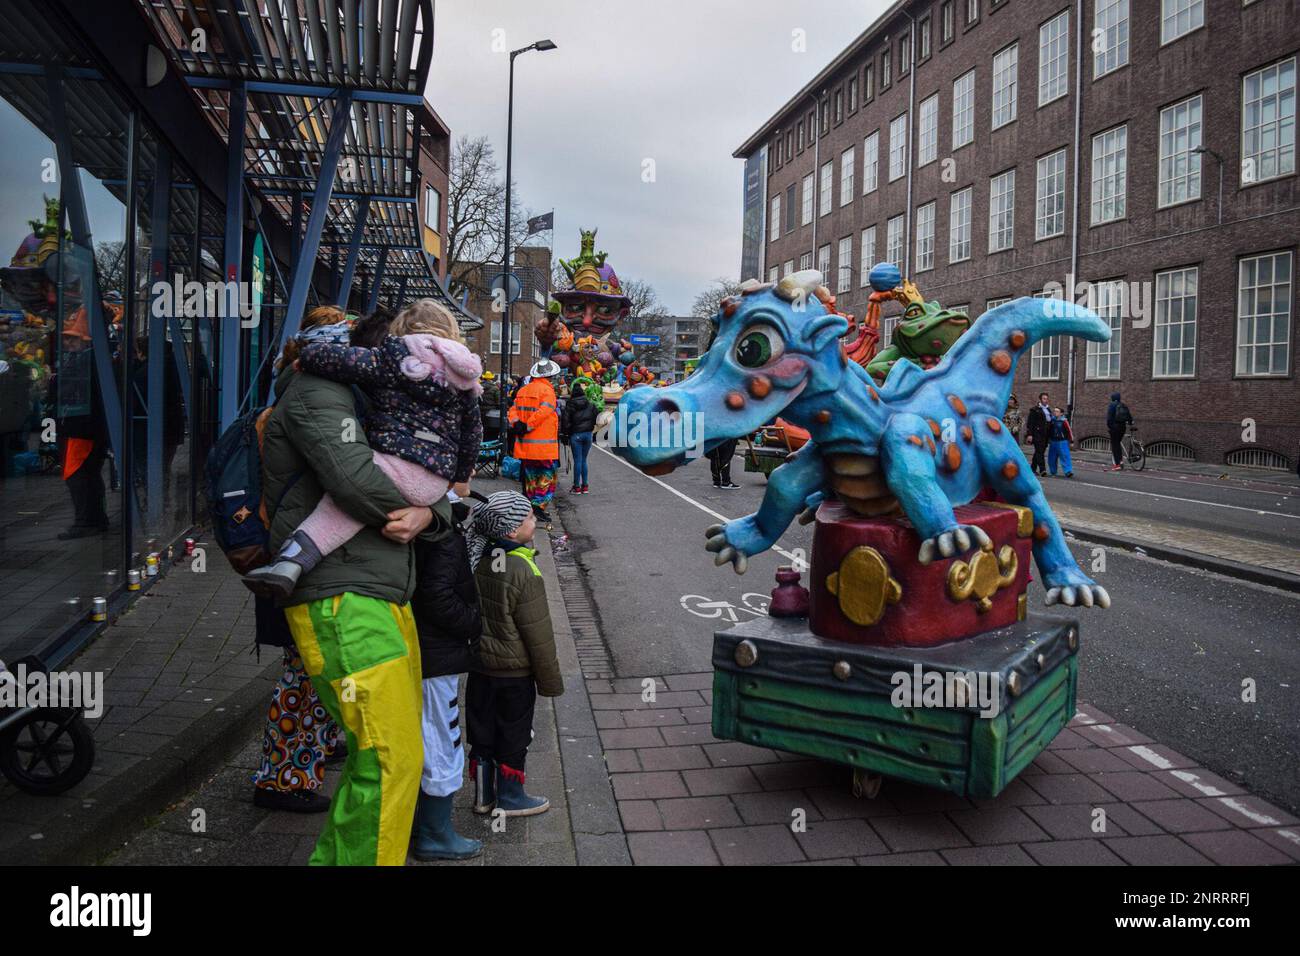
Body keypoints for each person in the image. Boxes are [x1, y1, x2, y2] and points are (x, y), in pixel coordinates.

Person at [260, 304, 454, 866]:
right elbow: (355, 479)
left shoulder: (372, 393)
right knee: (389, 756)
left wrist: (430, 514)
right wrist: (428, 509)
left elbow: (431, 481)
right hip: (341, 594)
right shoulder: (320, 386)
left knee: (389, 754)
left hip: (380, 591)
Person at [246, 299, 482, 599]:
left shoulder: (392, 360)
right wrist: (451, 485)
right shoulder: (463, 379)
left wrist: (309, 356)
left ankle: (292, 560)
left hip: (353, 581)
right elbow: (472, 435)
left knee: (334, 512)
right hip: (432, 482)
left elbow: (353, 482)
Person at [464, 491, 563, 818]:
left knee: (481, 731)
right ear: (510, 531)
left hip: (480, 667)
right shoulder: (523, 568)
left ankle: (482, 797)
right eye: (528, 518)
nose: (535, 520)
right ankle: (511, 797)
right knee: (513, 734)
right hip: (513, 674)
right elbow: (539, 633)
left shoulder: (477, 557)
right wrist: (550, 682)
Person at [410, 483, 483, 861]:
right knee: (442, 736)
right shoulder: (440, 532)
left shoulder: (432, 522)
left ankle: (421, 826)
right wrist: (472, 623)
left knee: (430, 732)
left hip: (427, 652)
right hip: (437, 655)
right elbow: (436, 596)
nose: (470, 472)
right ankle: (435, 834)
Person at [249, 595, 343, 812]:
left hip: (306, 595)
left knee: (315, 677)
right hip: (300, 598)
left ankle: (320, 748)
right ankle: (277, 782)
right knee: (302, 680)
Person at [508, 359, 561, 523]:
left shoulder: (523, 391)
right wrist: (528, 426)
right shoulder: (548, 391)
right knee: (547, 478)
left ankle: (530, 506)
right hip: (544, 448)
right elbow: (544, 412)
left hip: (525, 447)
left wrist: (517, 424)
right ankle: (538, 507)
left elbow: (512, 410)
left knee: (530, 477)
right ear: (550, 375)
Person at [560, 381, 597, 494]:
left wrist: (565, 434)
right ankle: (585, 486)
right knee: (584, 460)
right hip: (587, 434)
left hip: (576, 435)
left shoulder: (570, 404)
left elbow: (565, 422)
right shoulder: (590, 404)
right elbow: (596, 417)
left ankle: (576, 487)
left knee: (577, 461)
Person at [1025, 391, 1052, 477]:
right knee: (1040, 452)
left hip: (1046, 434)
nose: (1046, 400)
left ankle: (1032, 469)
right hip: (1037, 433)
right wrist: (1029, 435)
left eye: (1047, 399)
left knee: (1039, 452)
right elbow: (1030, 423)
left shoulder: (1048, 409)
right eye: (1044, 398)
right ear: (1040, 399)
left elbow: (1049, 421)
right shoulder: (1034, 410)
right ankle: (1042, 470)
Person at [1106, 391, 1133, 471]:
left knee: (1115, 445)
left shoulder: (1112, 405)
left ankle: (1117, 464)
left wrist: (1110, 427)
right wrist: (1130, 422)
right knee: (1118, 444)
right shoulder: (1123, 405)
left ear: (1112, 398)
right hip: (1123, 427)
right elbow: (1129, 416)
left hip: (1115, 428)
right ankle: (1120, 462)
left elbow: (1109, 418)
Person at [1047, 406, 1075, 478]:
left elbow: (1069, 431)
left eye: (1057, 411)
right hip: (1053, 441)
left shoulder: (1064, 421)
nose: (1055, 413)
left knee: (1065, 456)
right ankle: (1053, 471)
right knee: (1052, 458)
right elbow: (1048, 430)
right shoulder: (1052, 420)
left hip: (1062, 442)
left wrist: (1071, 441)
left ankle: (1068, 471)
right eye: (1054, 411)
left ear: (1061, 413)